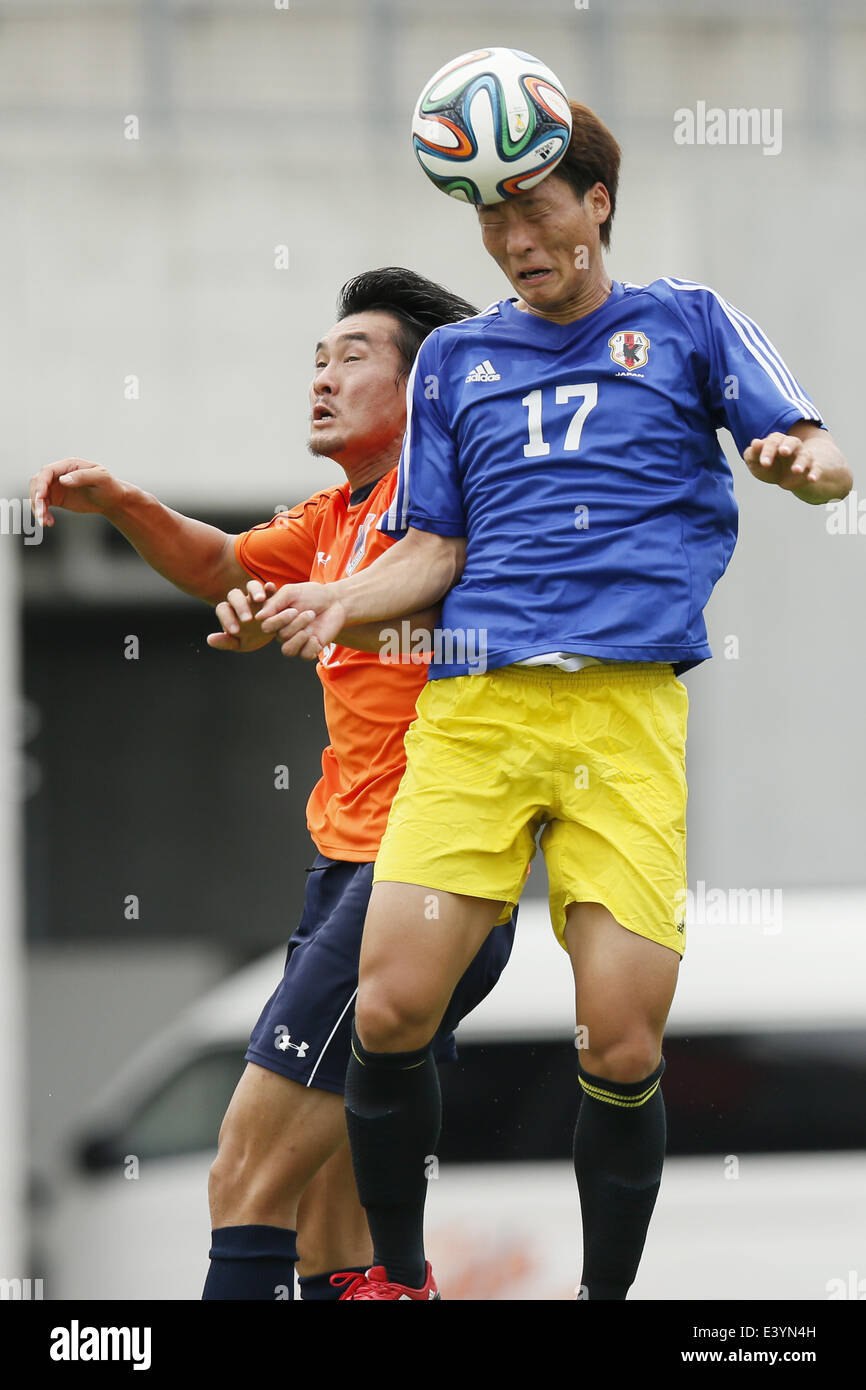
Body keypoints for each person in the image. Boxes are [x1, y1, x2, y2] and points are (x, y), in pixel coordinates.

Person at [256, 101, 852, 1300]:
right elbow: (432, 548)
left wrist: (802, 467)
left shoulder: (686, 321)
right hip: (475, 713)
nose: (514, 239)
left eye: (533, 209)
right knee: (387, 1008)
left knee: (621, 1042)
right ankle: (397, 1278)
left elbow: (820, 452)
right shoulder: (455, 362)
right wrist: (341, 598)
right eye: (491, 219)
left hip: (622, 718)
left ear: (597, 203)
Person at [28, 267, 516, 1302]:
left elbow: (463, 630)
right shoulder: (337, 513)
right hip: (347, 869)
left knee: (244, 1169)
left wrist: (335, 606)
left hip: (422, 867)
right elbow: (221, 566)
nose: (321, 379)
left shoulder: (457, 503)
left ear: (424, 385)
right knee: (327, 1226)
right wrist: (121, 501)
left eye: (352, 358)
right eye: (316, 361)